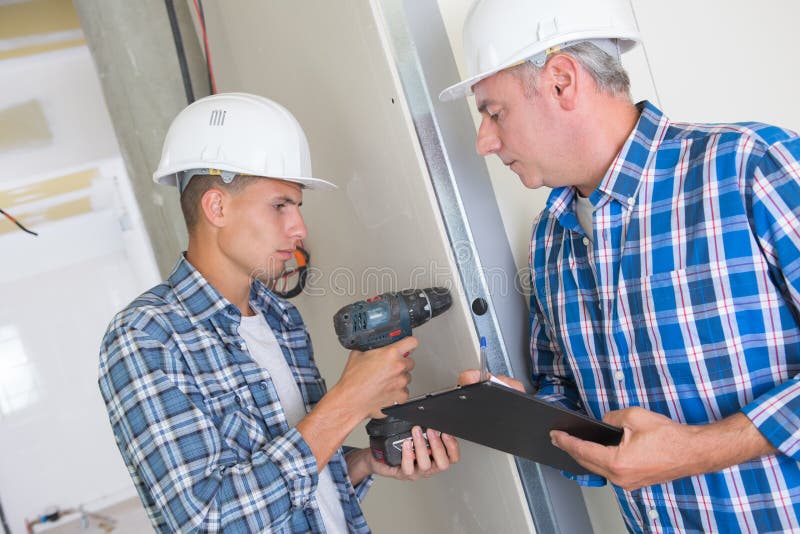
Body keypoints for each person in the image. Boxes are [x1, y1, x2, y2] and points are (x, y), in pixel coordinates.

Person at [445, 0, 800, 532]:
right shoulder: (549, 241)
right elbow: (574, 400)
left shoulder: (749, 165)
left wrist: (700, 448)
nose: (484, 142)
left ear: (562, 82)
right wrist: (529, 416)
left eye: (494, 112)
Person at [98, 92, 459, 533]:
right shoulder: (146, 337)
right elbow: (208, 522)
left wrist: (364, 462)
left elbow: (294, 481)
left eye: (297, 207)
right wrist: (348, 401)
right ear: (217, 207)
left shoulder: (280, 319)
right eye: (279, 206)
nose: (299, 229)